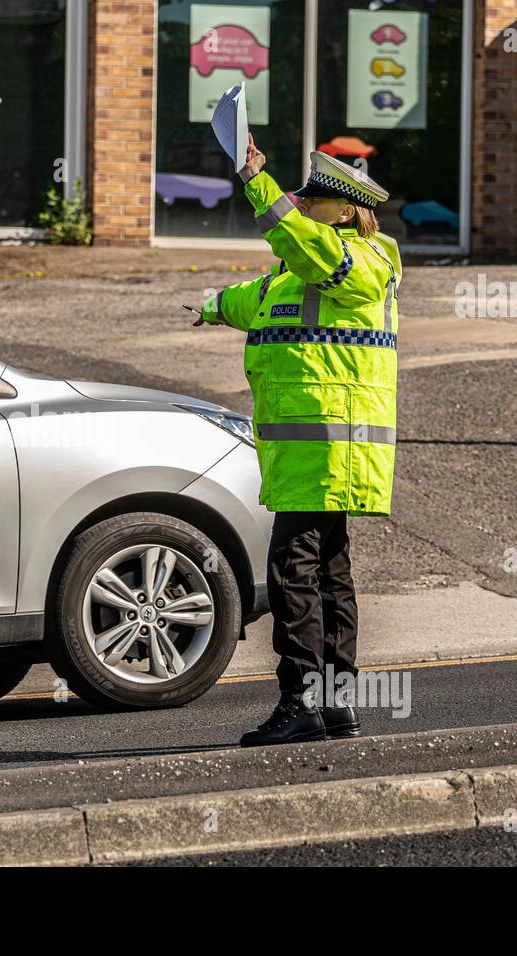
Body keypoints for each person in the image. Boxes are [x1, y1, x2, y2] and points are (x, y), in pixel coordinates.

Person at [196, 136, 401, 746]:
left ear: (344, 210)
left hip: (332, 448)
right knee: (329, 571)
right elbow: (248, 298)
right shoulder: (292, 279)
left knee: (293, 570)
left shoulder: (367, 261)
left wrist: (258, 178)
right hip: (303, 454)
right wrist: (208, 306)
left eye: (311, 198)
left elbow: (304, 246)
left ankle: (303, 701)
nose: (299, 203)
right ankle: (338, 703)